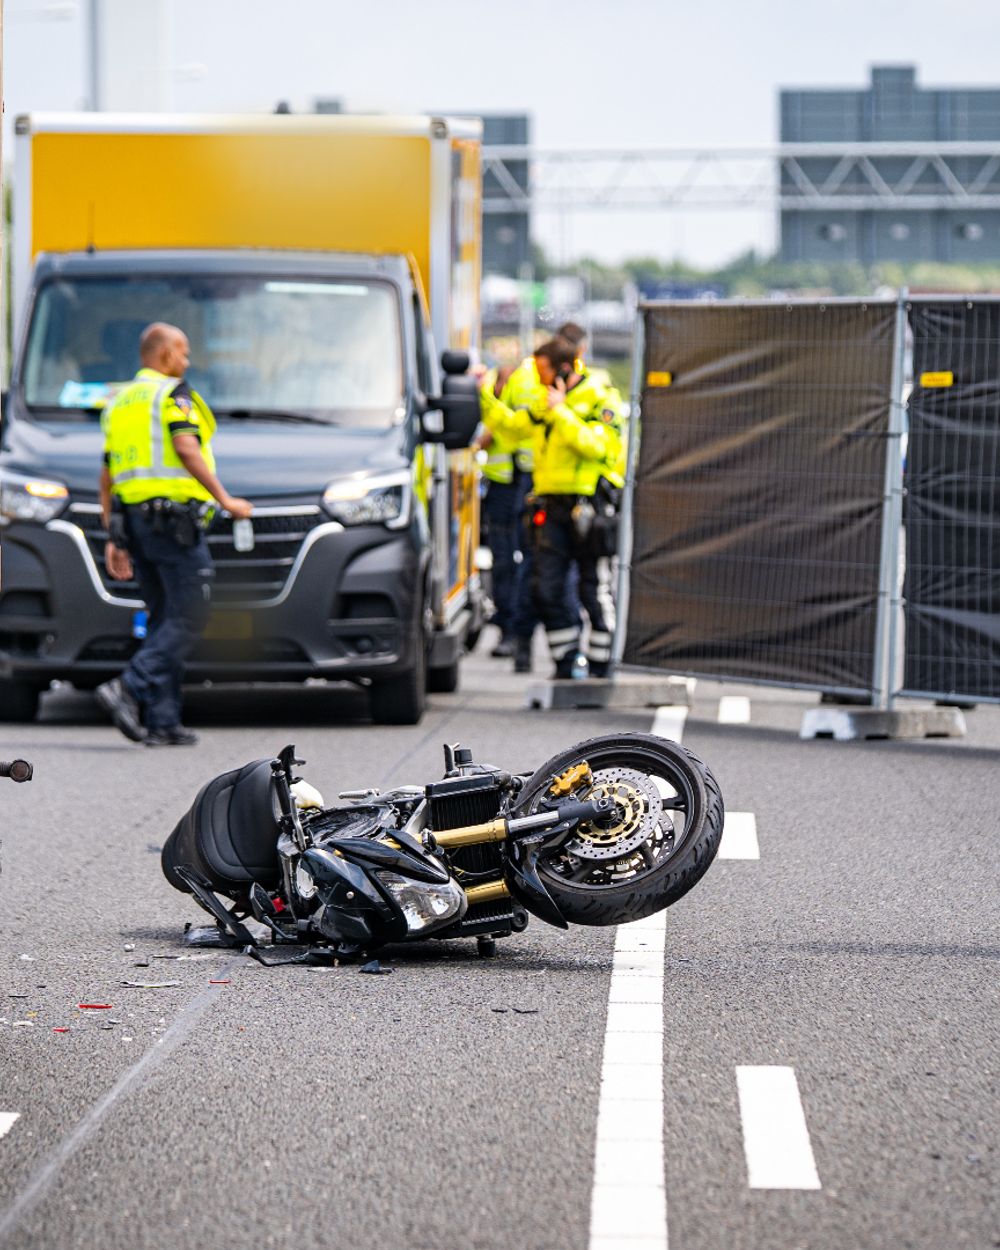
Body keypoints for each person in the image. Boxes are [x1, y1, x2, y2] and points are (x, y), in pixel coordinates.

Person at [95, 323, 252, 745]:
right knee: (191, 614)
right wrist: (225, 499)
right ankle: (129, 685)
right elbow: (186, 448)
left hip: (137, 526)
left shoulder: (120, 401)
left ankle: (162, 721)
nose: (186, 361)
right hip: (174, 523)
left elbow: (108, 476)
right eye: (182, 352)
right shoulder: (173, 394)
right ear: (164, 355)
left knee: (165, 616)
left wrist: (114, 537)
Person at [481, 338, 622, 679]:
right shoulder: (546, 404)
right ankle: (567, 661)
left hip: (590, 507)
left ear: (563, 367)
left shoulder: (601, 398)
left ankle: (602, 665)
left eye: (543, 371)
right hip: (551, 507)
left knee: (594, 587)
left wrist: (561, 412)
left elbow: (599, 447)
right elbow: (512, 428)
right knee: (546, 587)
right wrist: (485, 394)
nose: (539, 380)